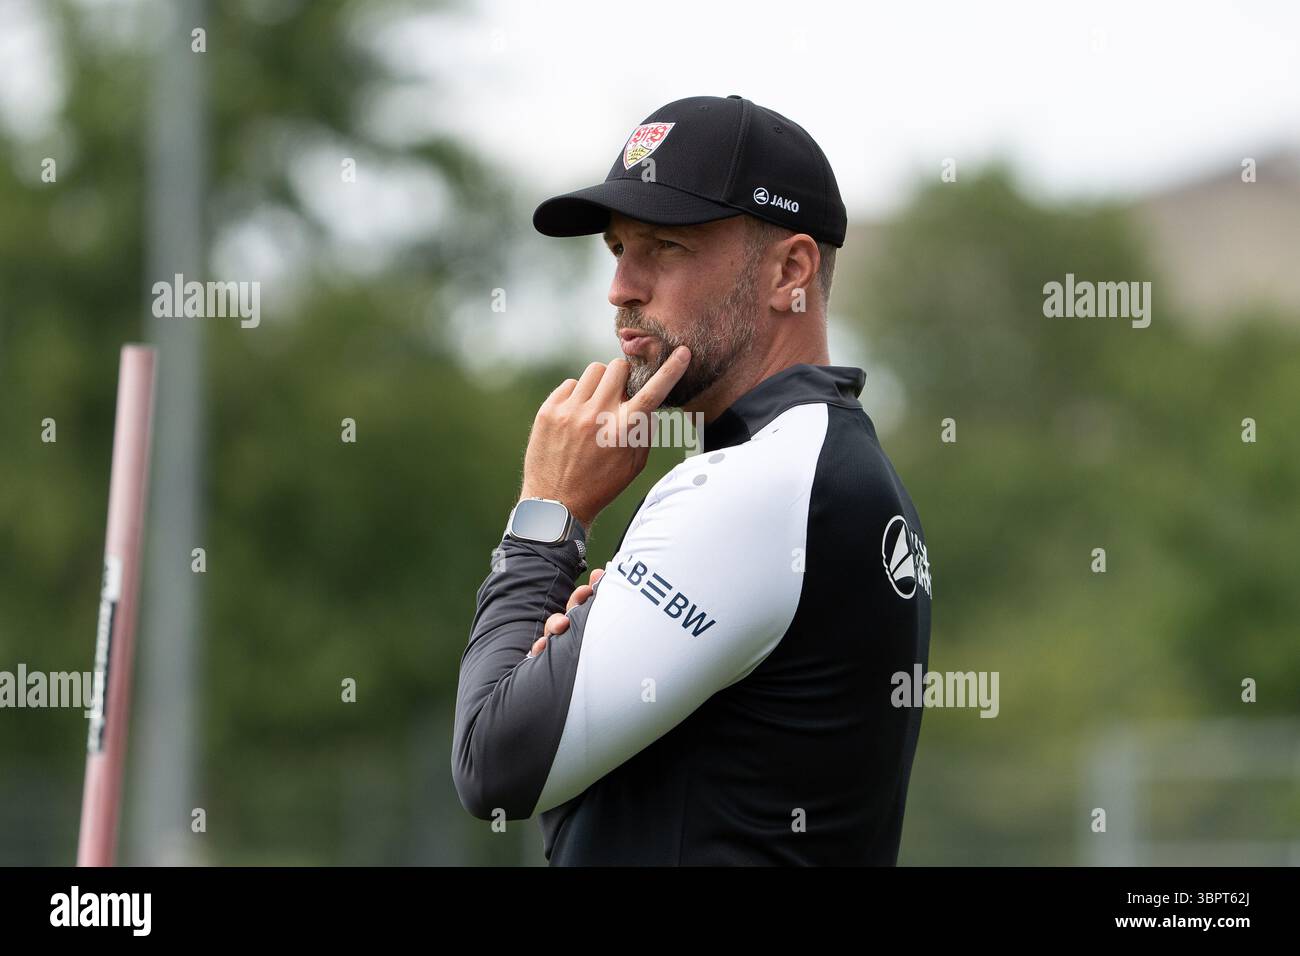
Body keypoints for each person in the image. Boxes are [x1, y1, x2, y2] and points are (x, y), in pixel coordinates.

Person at [451, 95, 932, 865]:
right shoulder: (820, 462)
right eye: (616, 248)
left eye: (664, 247)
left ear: (791, 271)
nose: (621, 288)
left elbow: (494, 766)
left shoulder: (761, 483)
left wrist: (546, 517)